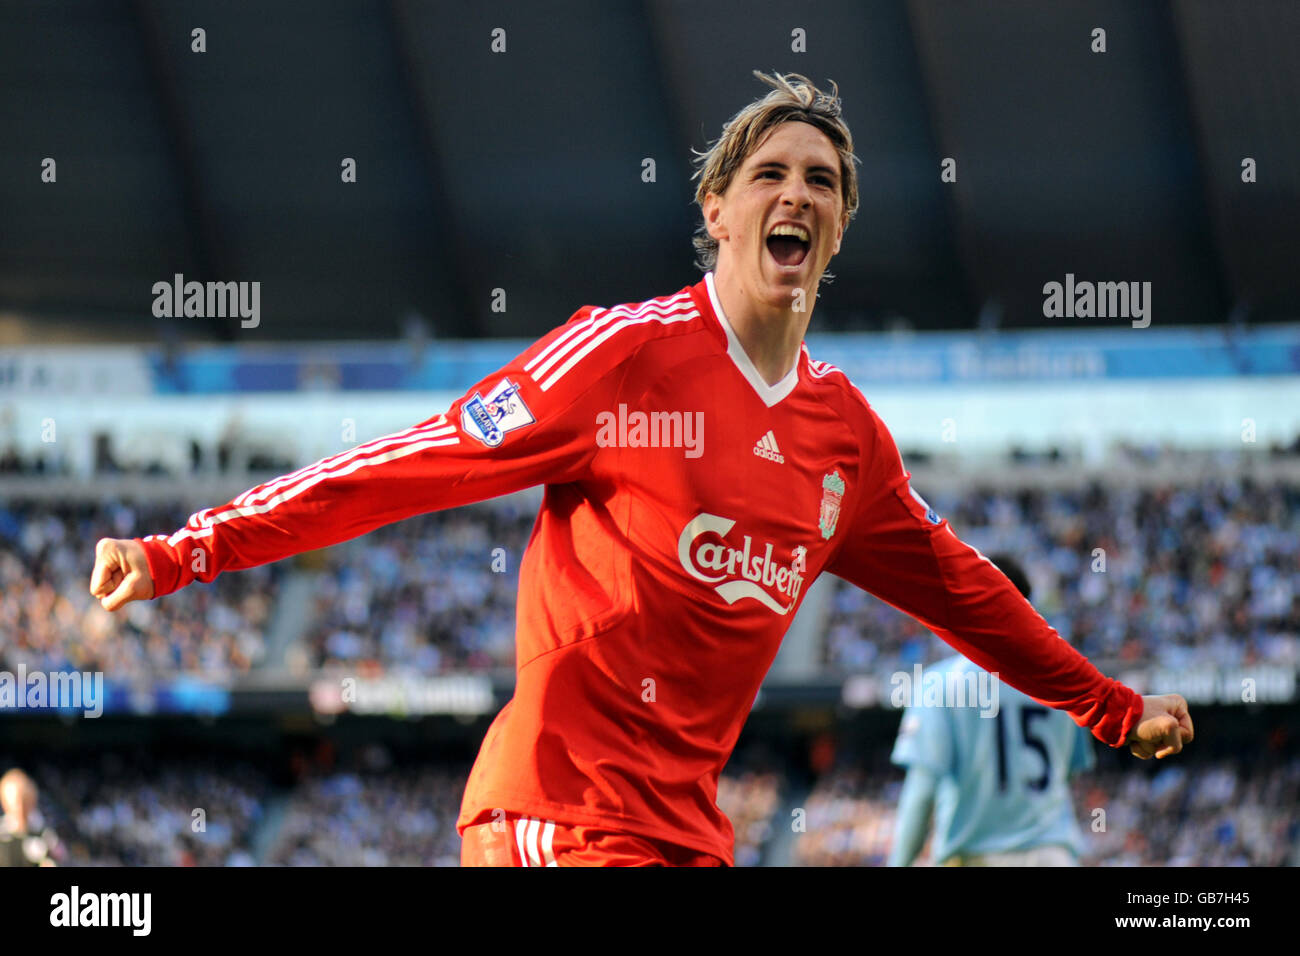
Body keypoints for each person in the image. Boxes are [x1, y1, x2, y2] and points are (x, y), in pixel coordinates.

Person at [89, 71, 1193, 867]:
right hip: (557, 816)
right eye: (768, 174)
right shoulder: (621, 357)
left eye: (820, 179)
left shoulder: (843, 437)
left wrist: (1106, 704)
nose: (794, 194)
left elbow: (962, 591)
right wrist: (188, 548)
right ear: (717, 210)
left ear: (842, 224)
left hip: (683, 835)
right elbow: (412, 463)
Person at [888, 555, 1097, 866]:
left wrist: (900, 862)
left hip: (977, 856)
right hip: (1055, 856)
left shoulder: (941, 684)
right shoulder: (1063, 680)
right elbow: (1067, 772)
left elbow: (921, 794)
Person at [0, 769, 60, 867]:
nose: (21, 807)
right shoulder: (2, 836)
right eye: (16, 802)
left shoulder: (43, 833)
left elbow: (56, 857)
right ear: (5, 802)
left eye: (25, 801)